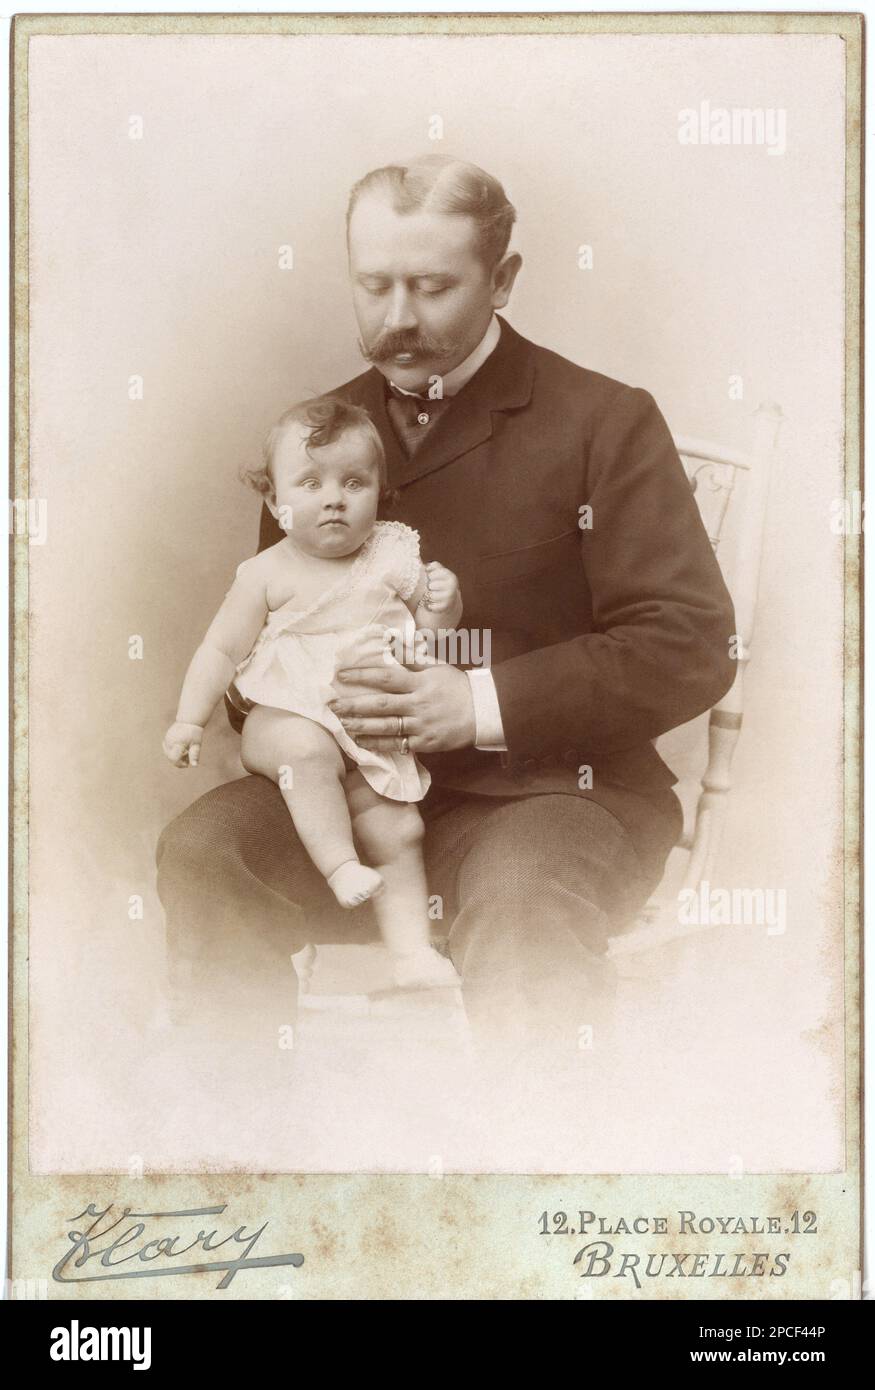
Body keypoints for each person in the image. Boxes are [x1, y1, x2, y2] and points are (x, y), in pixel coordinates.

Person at [156, 153, 736, 1059]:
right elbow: (260, 641)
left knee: (524, 892)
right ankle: (232, 1158)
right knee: (207, 851)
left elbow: (689, 642)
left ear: (502, 280)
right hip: (354, 798)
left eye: (431, 288)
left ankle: (550, 1178)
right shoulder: (314, 438)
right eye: (373, 284)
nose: (396, 320)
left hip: (550, 795)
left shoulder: (602, 420)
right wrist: (295, 707)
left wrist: (476, 704)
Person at [161, 393, 462, 991]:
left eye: (354, 481)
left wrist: (446, 606)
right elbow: (221, 649)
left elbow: (429, 643)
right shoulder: (267, 573)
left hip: (365, 727)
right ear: (276, 502)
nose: (333, 498)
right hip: (282, 718)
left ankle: (410, 953)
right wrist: (189, 719)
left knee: (399, 832)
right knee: (307, 751)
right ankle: (338, 867)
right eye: (310, 483)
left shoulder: (391, 555)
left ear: (378, 491)